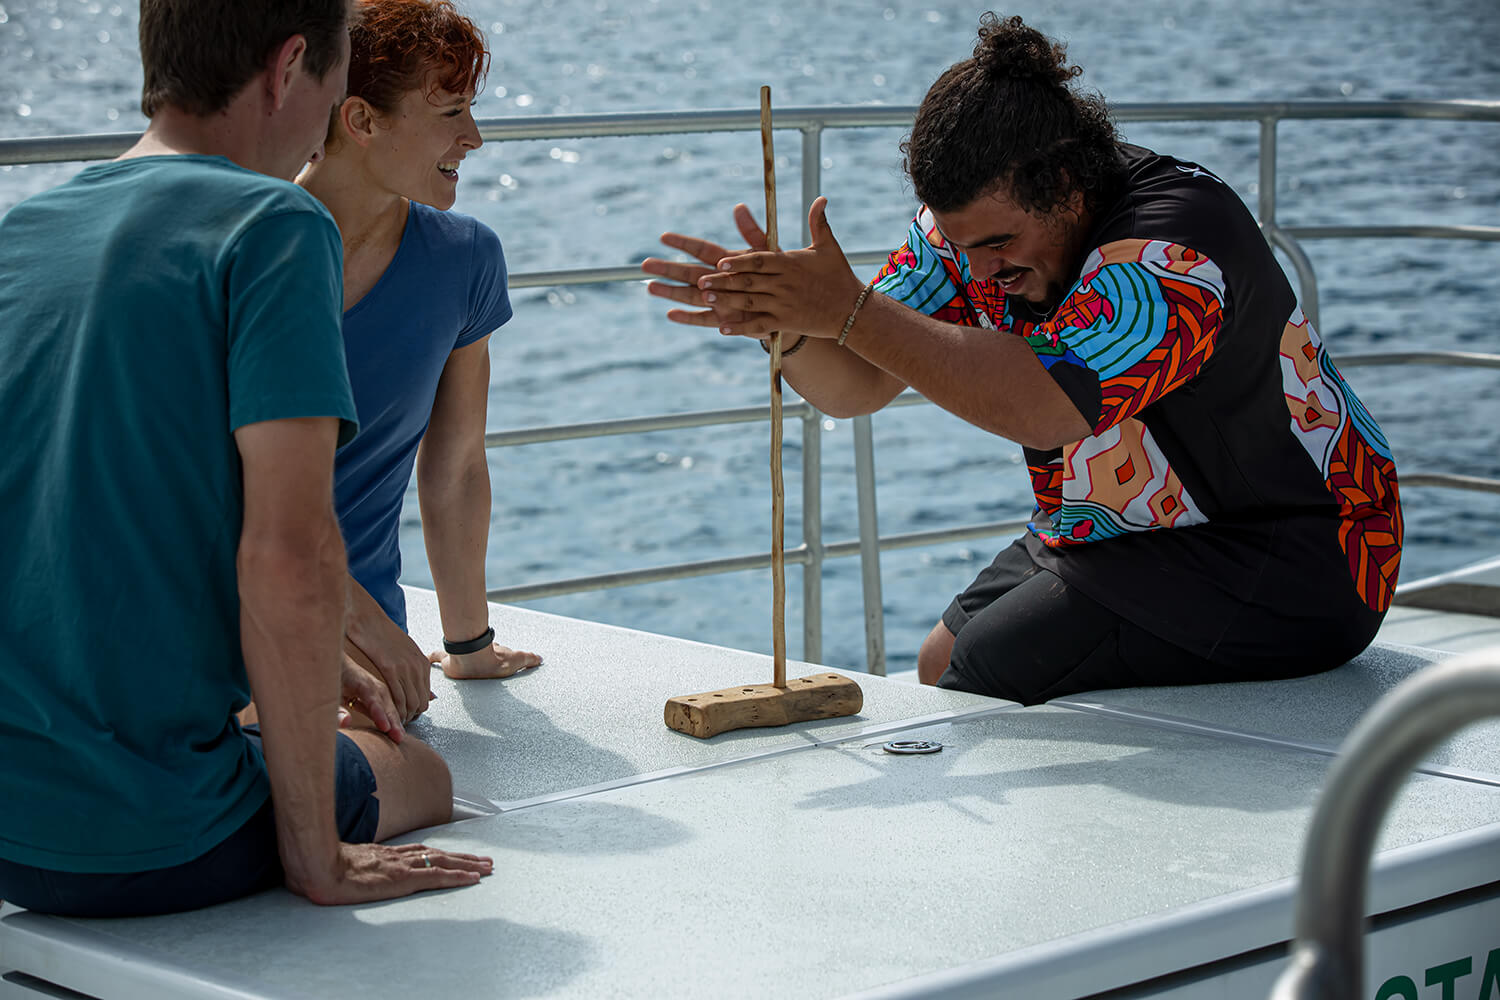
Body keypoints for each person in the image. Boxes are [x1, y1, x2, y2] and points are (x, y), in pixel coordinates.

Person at [643, 13, 1403, 705]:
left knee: (987, 673)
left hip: (1292, 558)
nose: (978, 273)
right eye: (962, 246)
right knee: (941, 661)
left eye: (998, 245)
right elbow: (859, 384)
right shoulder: (973, 233)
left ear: (1068, 186)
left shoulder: (1171, 248)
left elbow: (1046, 406)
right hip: (1118, 538)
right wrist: (791, 328)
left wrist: (845, 310)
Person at [0, 0, 489, 917]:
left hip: (9, 829)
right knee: (423, 773)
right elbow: (292, 556)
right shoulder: (273, 226)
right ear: (288, 65)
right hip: (154, 835)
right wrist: (321, 860)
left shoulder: (23, 231)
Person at [296, 0, 542, 744]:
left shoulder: (465, 259)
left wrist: (467, 646)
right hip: (220, 635)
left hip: (377, 659)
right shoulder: (239, 250)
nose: (473, 137)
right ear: (361, 120)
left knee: (403, 784)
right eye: (451, 112)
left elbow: (458, 465)